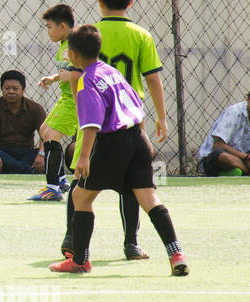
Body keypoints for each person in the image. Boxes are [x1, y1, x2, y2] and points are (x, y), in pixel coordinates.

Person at [49, 25, 189, 276]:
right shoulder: (111, 71)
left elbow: (91, 125)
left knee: (80, 197)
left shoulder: (86, 80)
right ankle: (176, 254)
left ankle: (80, 260)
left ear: (72, 54)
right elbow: (135, 103)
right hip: (136, 136)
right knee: (149, 199)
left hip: (112, 142)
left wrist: (83, 157)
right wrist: (144, 139)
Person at [60, 0, 169, 261]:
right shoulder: (141, 35)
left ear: (98, 2)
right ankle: (131, 243)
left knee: (80, 180)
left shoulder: (89, 33)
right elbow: (153, 78)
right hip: (131, 117)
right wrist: (161, 116)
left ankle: (73, 241)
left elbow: (74, 76)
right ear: (131, 2)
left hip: (95, 121)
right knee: (133, 186)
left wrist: (80, 104)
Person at [29, 4, 79, 201]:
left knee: (51, 137)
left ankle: (52, 188)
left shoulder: (72, 46)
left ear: (63, 26)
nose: (48, 31)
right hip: (66, 98)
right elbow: (68, 72)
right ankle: (60, 180)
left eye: (50, 27)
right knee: (44, 130)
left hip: (75, 100)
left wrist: (59, 77)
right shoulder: (64, 45)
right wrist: (53, 78)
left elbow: (77, 73)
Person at [0, 71, 48, 173]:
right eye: (7, 88)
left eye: (15, 88)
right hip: (1, 151)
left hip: (26, 152)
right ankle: (27, 170)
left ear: (23, 89)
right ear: (2, 89)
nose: (11, 91)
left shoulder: (36, 108)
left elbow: (45, 133)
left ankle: (13, 169)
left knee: (51, 153)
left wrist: (41, 154)